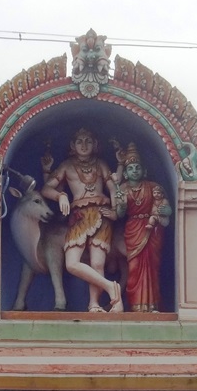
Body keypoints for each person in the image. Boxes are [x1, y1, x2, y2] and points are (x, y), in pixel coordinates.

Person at [40, 128, 124, 312]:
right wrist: (61, 195)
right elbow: (46, 189)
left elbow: (113, 188)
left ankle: (93, 304)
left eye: (88, 141)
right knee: (71, 263)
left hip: (101, 213)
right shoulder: (67, 166)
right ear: (72, 145)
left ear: (95, 144)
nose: (84, 145)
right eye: (79, 141)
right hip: (78, 216)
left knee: (97, 263)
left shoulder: (100, 164)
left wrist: (116, 211)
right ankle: (111, 287)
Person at [112, 142, 171, 312]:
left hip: (151, 230)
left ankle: (153, 305)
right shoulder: (122, 188)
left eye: (137, 167)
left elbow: (167, 208)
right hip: (133, 229)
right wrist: (120, 203)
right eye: (131, 168)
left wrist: (164, 210)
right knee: (134, 268)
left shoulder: (153, 187)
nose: (135, 170)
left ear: (144, 170)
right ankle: (136, 306)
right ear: (127, 172)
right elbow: (121, 214)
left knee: (152, 269)